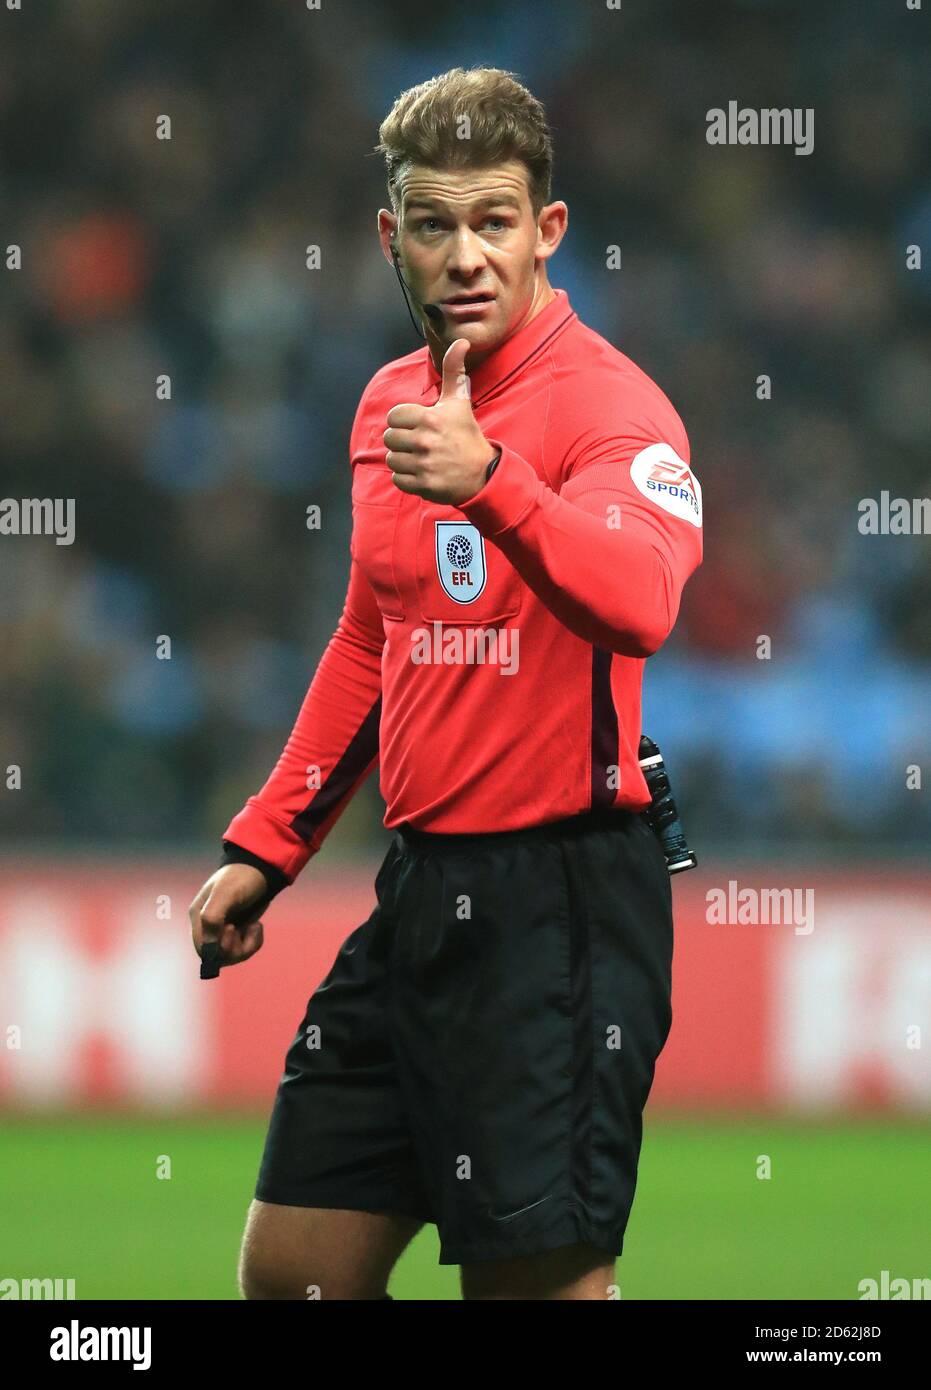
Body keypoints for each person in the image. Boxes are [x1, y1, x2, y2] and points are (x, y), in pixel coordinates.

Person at [188, 65, 703, 1301]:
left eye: (495, 221)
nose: (466, 254)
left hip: (562, 907)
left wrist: (494, 483)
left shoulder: (613, 411)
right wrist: (270, 843)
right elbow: (376, 634)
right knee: (296, 1269)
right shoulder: (387, 405)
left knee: (531, 1289)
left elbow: (643, 601)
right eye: (435, 223)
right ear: (391, 238)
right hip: (419, 890)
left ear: (546, 233)